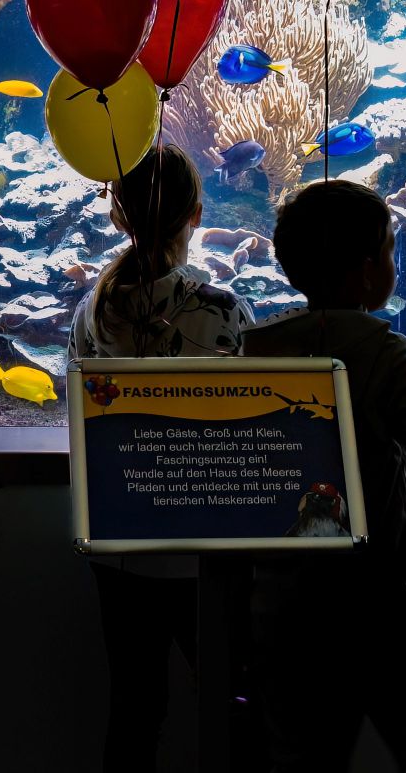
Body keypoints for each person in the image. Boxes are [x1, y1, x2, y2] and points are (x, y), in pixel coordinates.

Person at [243, 179, 406, 773]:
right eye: (388, 251)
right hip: (380, 608)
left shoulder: (255, 349)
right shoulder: (387, 353)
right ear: (365, 271)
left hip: (283, 608)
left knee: (300, 756)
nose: (392, 263)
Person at [67, 145, 254, 772]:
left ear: (118, 216)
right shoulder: (224, 309)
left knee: (134, 710)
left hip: (120, 542)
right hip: (207, 540)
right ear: (197, 213)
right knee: (231, 702)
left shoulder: (93, 309)